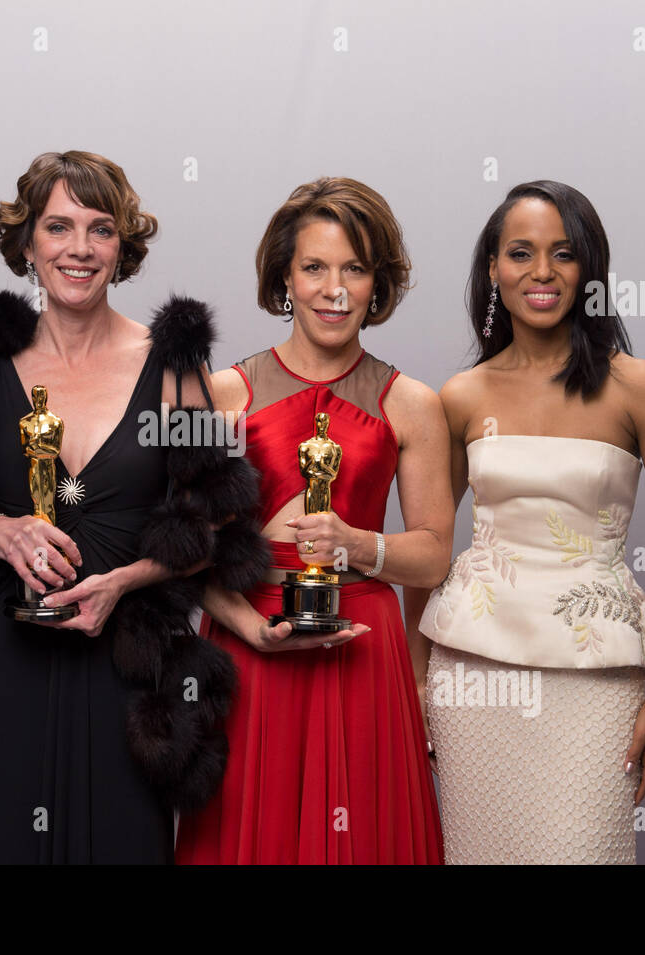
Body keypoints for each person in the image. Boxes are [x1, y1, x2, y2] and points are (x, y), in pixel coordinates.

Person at [0, 151, 263, 863]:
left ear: (123, 245)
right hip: (5, 656)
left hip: (127, 670)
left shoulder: (173, 368)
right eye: (58, 226)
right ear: (27, 242)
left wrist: (123, 582)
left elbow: (213, 524)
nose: (80, 248)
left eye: (101, 228)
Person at [420, 180, 645, 864]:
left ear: (589, 269)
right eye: (520, 253)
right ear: (493, 270)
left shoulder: (637, 386)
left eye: (563, 253)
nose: (541, 272)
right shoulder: (461, 396)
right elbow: (430, 549)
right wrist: (416, 680)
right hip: (472, 678)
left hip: (593, 680)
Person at [175, 177, 452, 864]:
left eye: (354, 269)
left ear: (377, 283)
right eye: (315, 267)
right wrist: (247, 624)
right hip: (250, 641)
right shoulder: (224, 395)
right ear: (285, 279)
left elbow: (435, 556)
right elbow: (185, 552)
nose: (335, 289)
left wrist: (358, 543)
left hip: (363, 644)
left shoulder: (411, 402)